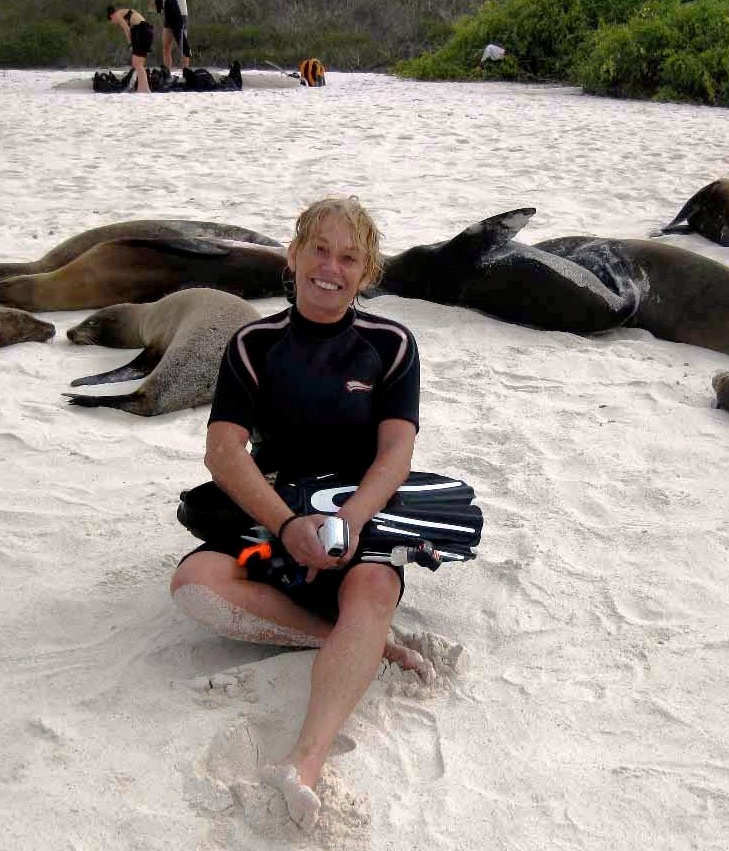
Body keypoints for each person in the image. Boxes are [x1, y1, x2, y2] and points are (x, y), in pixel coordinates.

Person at [170, 196, 427, 832]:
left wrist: (351, 519)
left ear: (366, 273)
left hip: (360, 516)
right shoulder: (254, 344)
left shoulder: (391, 344)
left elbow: (397, 451)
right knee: (195, 586)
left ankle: (305, 761)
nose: (330, 268)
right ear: (293, 254)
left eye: (348, 258)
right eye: (319, 250)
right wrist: (287, 526)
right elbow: (223, 451)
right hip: (272, 520)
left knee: (371, 586)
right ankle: (350, 643)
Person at [105, 6, 153, 93]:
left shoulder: (117, 14)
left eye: (112, 21)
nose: (114, 23)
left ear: (111, 16)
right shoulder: (125, 12)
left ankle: (143, 89)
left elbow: (127, 29)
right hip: (147, 30)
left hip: (141, 30)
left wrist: (131, 45)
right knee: (139, 64)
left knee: (137, 64)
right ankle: (144, 89)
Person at [155, 0, 190, 75]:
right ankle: (167, 74)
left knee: (183, 48)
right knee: (165, 48)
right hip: (168, 14)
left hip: (181, 13)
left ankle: (186, 74)